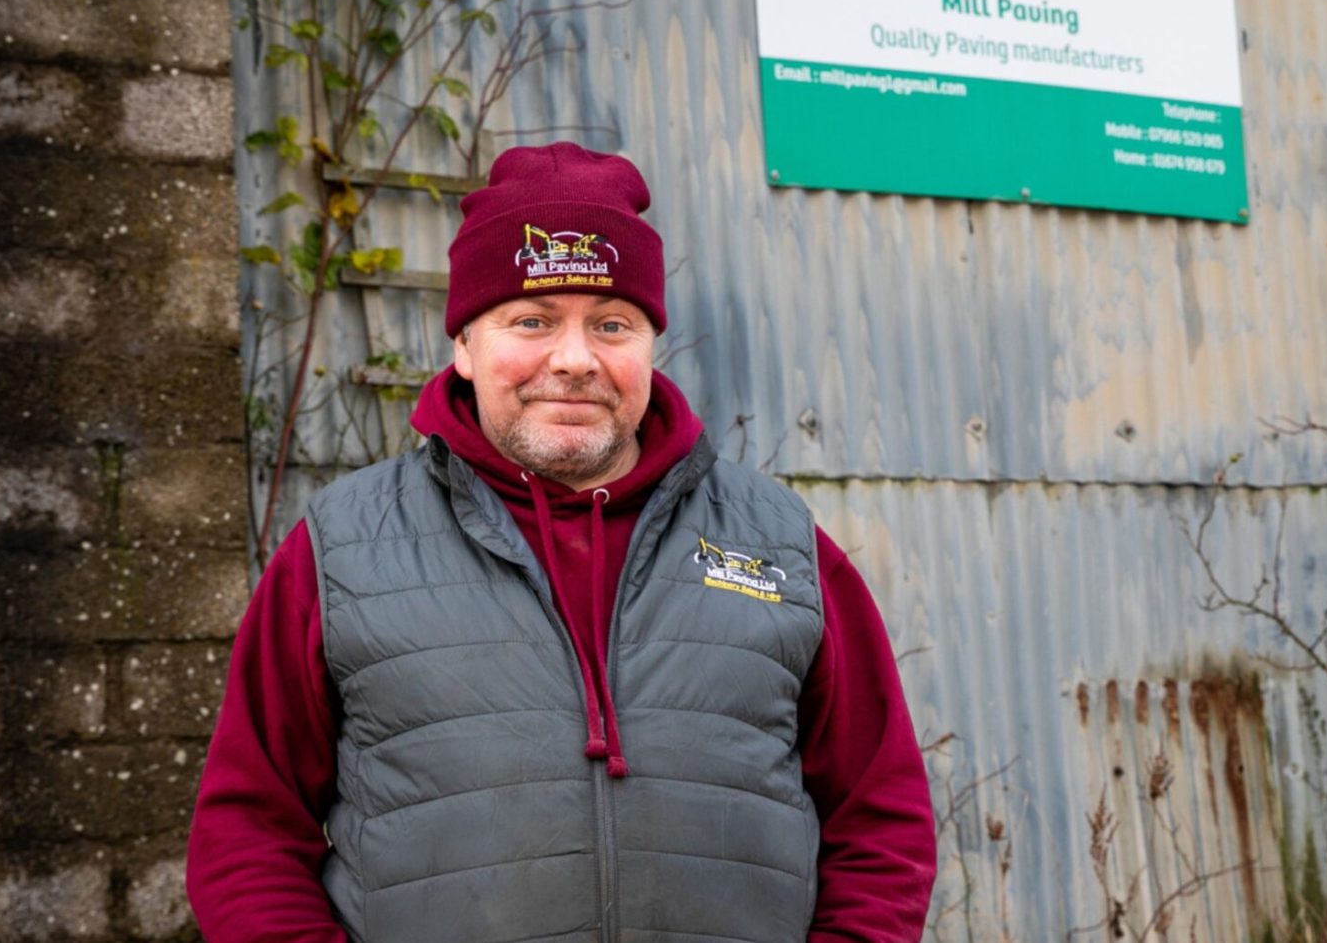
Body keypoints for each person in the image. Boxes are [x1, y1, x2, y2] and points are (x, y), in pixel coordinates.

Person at [188, 143, 936, 941]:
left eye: (612, 323)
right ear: (465, 346)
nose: (574, 360)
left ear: (651, 344)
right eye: (532, 321)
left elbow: (880, 821)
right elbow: (248, 833)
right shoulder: (339, 552)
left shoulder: (781, 546)